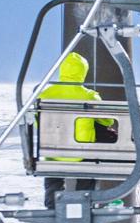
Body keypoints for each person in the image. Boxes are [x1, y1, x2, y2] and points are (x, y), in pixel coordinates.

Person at [39, 53, 116, 209]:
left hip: (54, 153)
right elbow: (107, 120)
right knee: (89, 168)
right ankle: (84, 205)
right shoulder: (88, 95)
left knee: (52, 173)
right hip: (81, 153)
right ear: (83, 72)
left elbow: (37, 120)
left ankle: (52, 206)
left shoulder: (45, 94)